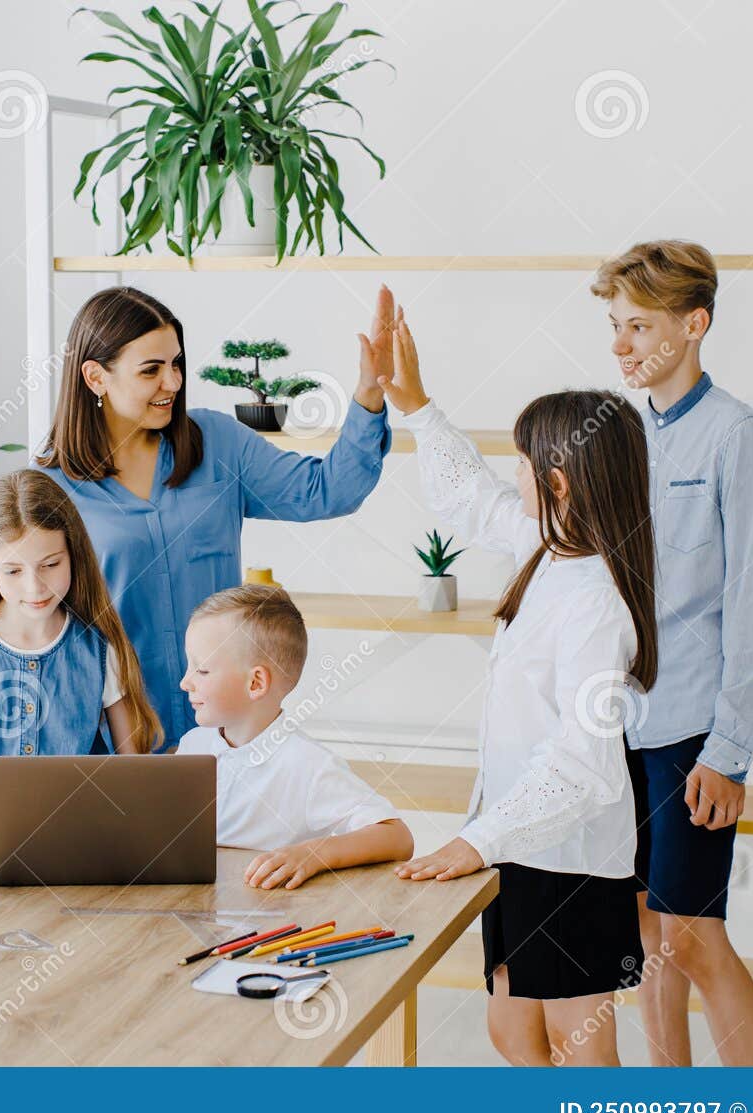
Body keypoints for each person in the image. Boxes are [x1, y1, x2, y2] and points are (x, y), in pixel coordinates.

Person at [384, 309, 660, 1067]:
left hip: (566, 858)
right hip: (521, 846)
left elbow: (583, 762)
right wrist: (416, 405)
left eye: (523, 461)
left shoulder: (595, 603)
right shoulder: (549, 546)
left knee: (583, 1052)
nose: (513, 473)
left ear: (559, 481)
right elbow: (469, 497)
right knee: (512, 1032)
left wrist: (476, 841)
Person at [37, 285, 398, 749]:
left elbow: (326, 491)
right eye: (151, 370)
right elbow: (35, 624)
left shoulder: (219, 444)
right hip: (116, 738)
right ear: (95, 377)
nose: (172, 382)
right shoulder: (49, 487)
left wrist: (370, 392)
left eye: (176, 364)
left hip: (226, 728)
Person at [593, 239, 753, 1067]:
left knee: (697, 934)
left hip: (693, 734)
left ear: (694, 323)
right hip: (617, 728)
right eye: (615, 326)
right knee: (646, 928)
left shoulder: (739, 437)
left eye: (638, 326)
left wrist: (731, 751)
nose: (621, 345)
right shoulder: (615, 435)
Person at [0, 470, 162, 846]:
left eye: (51, 565)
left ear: (73, 553)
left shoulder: (101, 651)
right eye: (13, 570)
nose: (35, 587)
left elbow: (132, 771)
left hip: (77, 854)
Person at [175, 584, 413, 889]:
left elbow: (397, 837)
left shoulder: (308, 765)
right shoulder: (192, 744)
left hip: (269, 921)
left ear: (256, 682)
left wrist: (313, 854)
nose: (185, 682)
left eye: (202, 671)